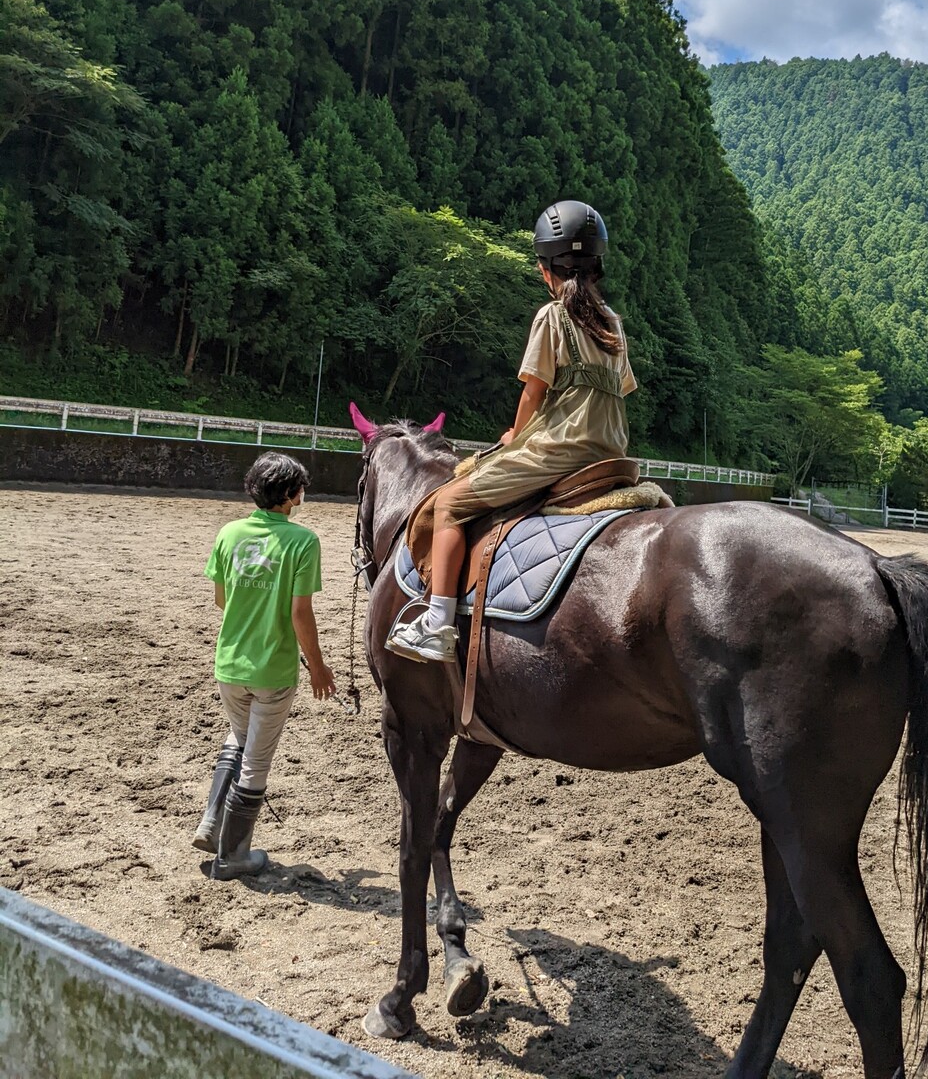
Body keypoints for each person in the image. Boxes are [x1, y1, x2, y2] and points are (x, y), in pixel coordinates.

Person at [386, 199, 636, 664]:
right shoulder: (613, 325)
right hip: (611, 452)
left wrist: (515, 437)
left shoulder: (553, 316)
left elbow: (533, 393)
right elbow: (619, 389)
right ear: (598, 267)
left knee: (450, 503)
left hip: (562, 449)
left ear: (546, 269)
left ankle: (437, 621)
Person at [194, 452, 335, 880]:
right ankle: (234, 856)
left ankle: (212, 824)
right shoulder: (302, 542)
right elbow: (300, 614)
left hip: (230, 663)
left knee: (238, 737)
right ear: (291, 495)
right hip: (272, 669)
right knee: (256, 759)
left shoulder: (229, 533)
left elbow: (222, 599)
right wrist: (317, 665)